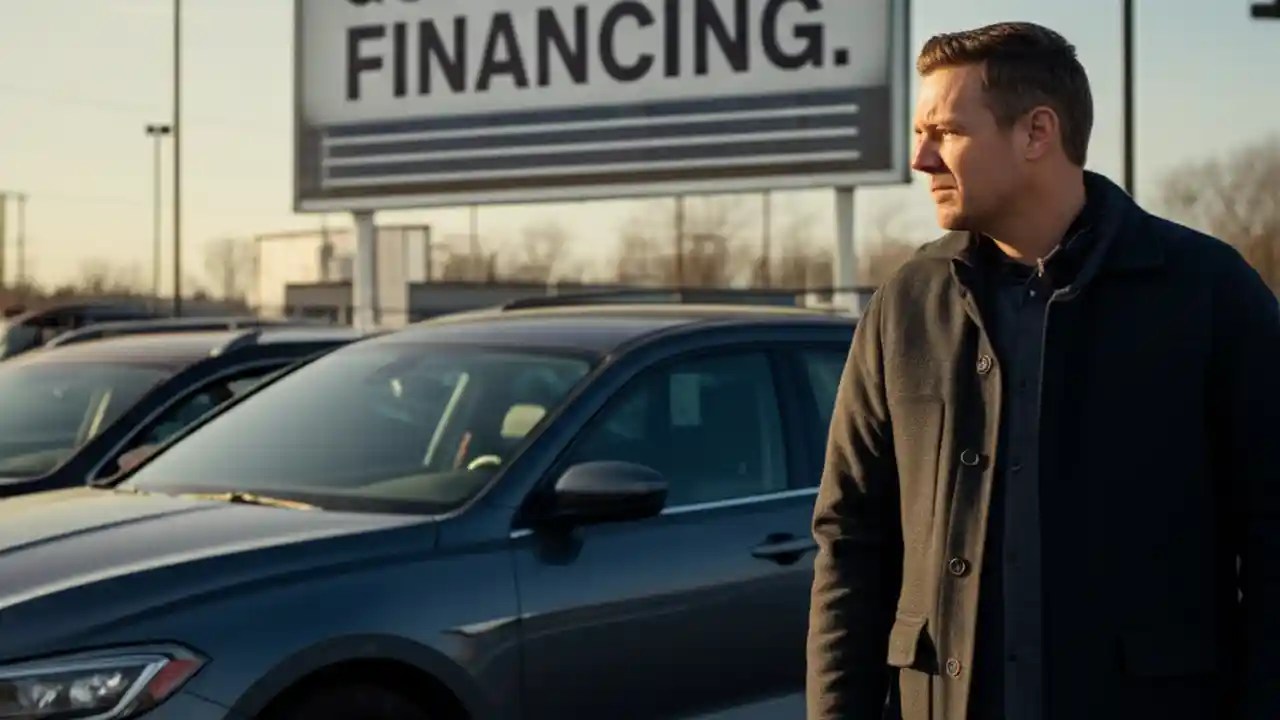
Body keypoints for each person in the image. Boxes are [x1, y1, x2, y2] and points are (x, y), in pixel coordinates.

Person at [805, 21, 1280, 720]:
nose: (920, 158)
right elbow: (851, 540)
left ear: (1037, 133)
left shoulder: (1206, 292)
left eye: (947, 132)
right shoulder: (907, 302)